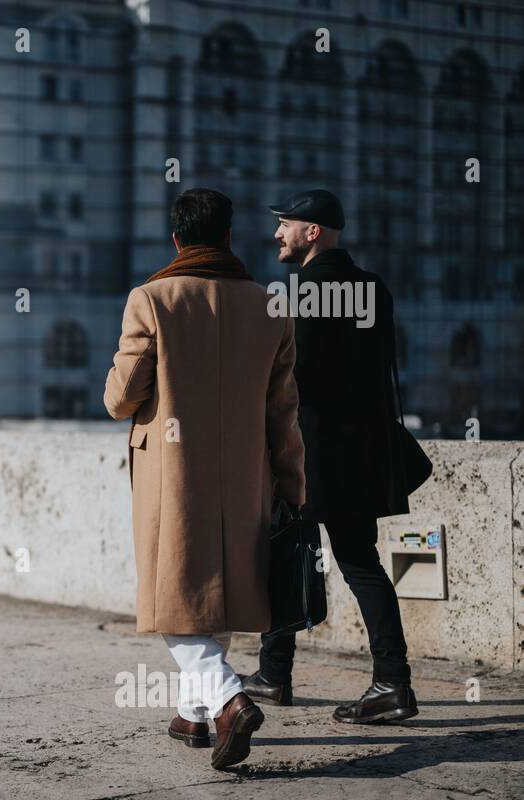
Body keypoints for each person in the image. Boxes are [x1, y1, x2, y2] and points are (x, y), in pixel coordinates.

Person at [104, 188, 306, 770]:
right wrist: (293, 485)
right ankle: (194, 716)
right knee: (214, 594)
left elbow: (121, 399)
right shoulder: (270, 307)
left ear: (176, 240)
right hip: (247, 477)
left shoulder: (152, 299)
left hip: (174, 475)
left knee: (173, 599)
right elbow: (283, 413)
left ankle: (226, 699)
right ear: (229, 237)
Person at [240, 189, 418, 724]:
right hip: (362, 454)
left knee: (287, 557)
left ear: (311, 232)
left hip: (313, 454)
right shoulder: (374, 287)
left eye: (286, 224)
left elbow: (295, 383)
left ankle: (283, 676)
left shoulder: (303, 293)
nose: (277, 234)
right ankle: (387, 679)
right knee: (361, 563)